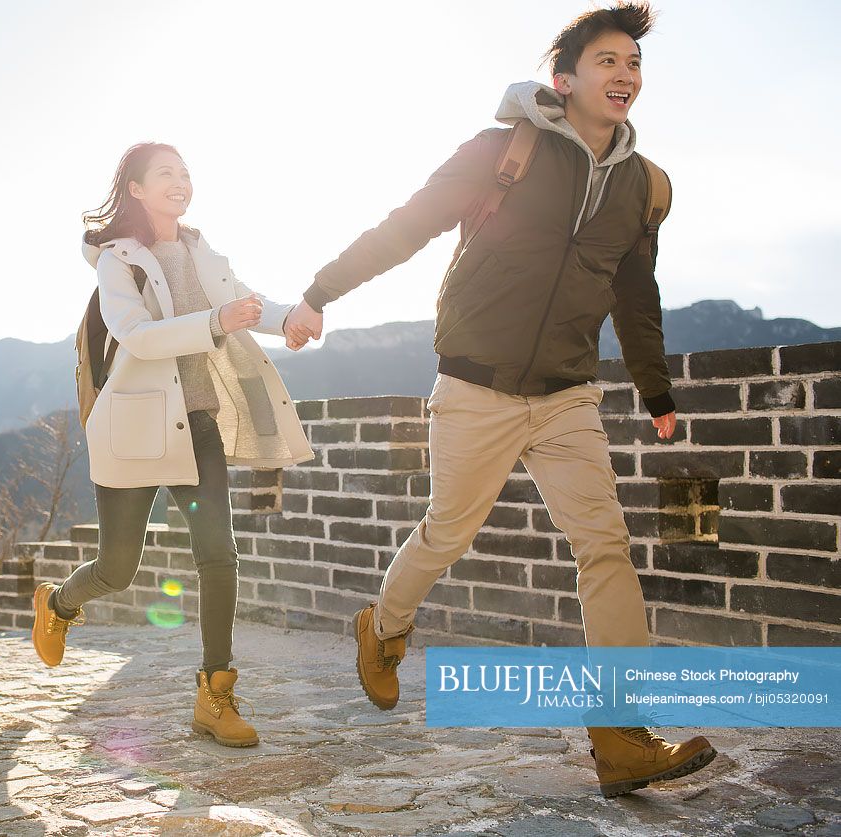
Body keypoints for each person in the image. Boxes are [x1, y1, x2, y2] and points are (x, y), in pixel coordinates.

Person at [284, 1, 718, 798]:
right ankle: (380, 627)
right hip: (474, 384)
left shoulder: (640, 186)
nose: (624, 75)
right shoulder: (501, 150)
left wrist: (655, 390)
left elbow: (634, 291)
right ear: (564, 78)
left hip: (566, 396)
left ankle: (620, 736)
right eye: (608, 62)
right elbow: (408, 224)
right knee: (447, 531)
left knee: (604, 545)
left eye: (633, 64)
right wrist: (319, 292)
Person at [31, 142, 314, 747]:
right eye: (166, 174)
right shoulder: (118, 260)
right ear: (135, 188)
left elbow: (241, 300)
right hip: (137, 428)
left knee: (219, 553)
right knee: (117, 568)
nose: (181, 182)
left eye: (185, 173)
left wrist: (291, 316)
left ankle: (215, 693)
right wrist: (215, 324)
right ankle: (57, 605)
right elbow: (135, 335)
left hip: (198, 422)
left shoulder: (201, 249)